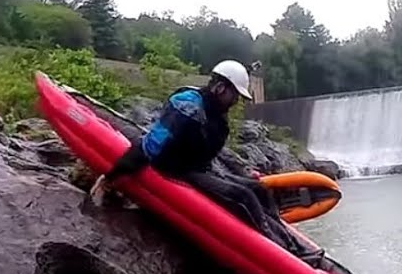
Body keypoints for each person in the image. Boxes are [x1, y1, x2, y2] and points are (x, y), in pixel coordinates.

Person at [89, 59, 316, 260]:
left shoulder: (217, 114)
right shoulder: (187, 106)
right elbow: (151, 145)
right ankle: (283, 251)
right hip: (175, 170)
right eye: (234, 95)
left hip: (198, 168)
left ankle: (286, 238)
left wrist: (242, 172)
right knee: (243, 195)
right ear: (219, 88)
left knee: (259, 189)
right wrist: (111, 176)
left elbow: (214, 153)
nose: (236, 100)